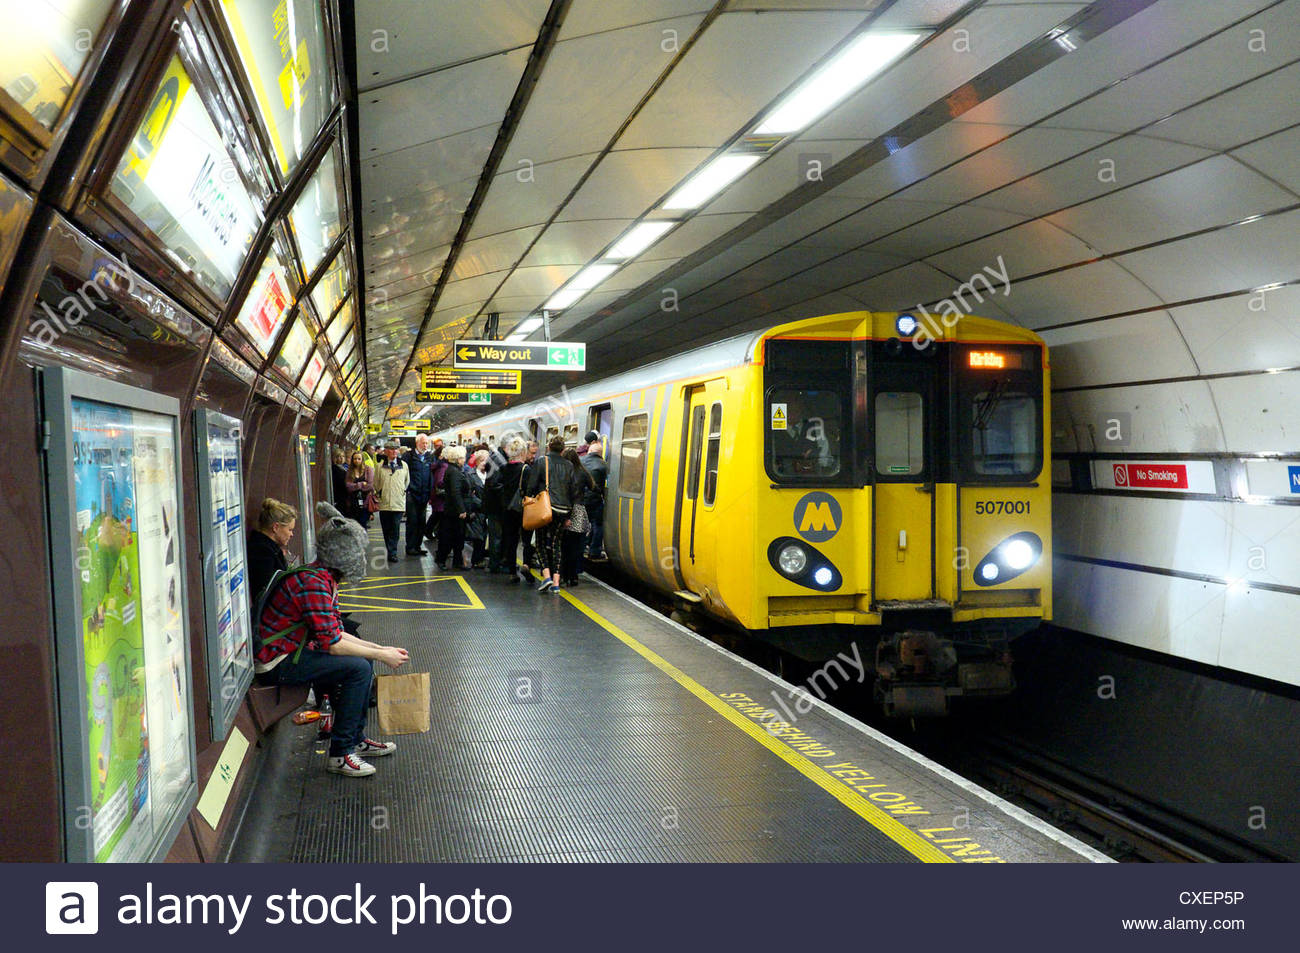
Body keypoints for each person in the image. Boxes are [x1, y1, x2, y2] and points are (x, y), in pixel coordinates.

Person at [255, 501, 410, 777]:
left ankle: (355, 738)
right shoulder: (314, 583)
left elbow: (336, 631)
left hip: (292, 651)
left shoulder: (322, 577)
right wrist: (380, 655)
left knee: (362, 661)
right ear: (344, 554)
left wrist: (379, 648)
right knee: (358, 668)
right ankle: (341, 753)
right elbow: (333, 643)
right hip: (276, 662)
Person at [524, 436, 576, 593]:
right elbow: (573, 491)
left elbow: (531, 486)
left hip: (546, 508)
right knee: (556, 544)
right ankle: (556, 583)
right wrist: (569, 515)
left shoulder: (542, 461)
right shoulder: (569, 465)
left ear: (549, 447)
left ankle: (546, 576)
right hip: (564, 509)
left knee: (540, 542)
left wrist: (528, 500)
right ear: (563, 449)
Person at [490, 437, 528, 580]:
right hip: (522, 510)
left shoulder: (504, 468)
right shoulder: (525, 469)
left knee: (510, 540)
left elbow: (498, 486)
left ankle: (512, 571)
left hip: (507, 509)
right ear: (522, 452)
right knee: (526, 540)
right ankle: (526, 565)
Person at [247, 498, 297, 602]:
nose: (291, 534)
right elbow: (265, 592)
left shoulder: (269, 548)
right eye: (290, 529)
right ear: (275, 527)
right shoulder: (262, 552)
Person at [561, 447, 595, 586]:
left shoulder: (563, 472)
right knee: (576, 546)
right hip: (579, 511)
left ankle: (563, 574)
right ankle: (573, 576)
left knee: (564, 545)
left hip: (564, 510)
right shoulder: (583, 471)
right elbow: (594, 487)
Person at [434, 445, 470, 571]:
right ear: (458, 458)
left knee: (455, 537)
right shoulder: (455, 472)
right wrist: (461, 510)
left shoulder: (452, 469)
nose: (464, 460)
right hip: (454, 511)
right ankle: (443, 560)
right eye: (463, 457)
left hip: (451, 509)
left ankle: (456, 561)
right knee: (452, 537)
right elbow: (455, 492)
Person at [373, 440, 409, 563]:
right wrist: (381, 492)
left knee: (395, 527)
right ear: (386, 451)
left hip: (398, 503)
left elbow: (406, 481)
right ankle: (390, 549)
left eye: (395, 449)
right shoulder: (380, 466)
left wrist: (401, 491)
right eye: (391, 449)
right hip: (384, 503)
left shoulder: (404, 465)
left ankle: (392, 552)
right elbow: (376, 483)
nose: (394, 451)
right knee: (386, 528)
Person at [402, 434, 436, 557]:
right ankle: (410, 547)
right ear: (417, 443)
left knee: (421, 522)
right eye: (423, 443)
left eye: (427, 443)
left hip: (425, 494)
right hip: (412, 493)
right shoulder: (408, 456)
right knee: (412, 521)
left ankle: (417, 545)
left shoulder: (430, 457)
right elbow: (403, 474)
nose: (425, 445)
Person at [581, 433, 608, 561]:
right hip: (596, 500)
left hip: (581, 499)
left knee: (580, 525)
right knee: (598, 525)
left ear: (589, 450)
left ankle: (580, 549)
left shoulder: (581, 461)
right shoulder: (604, 465)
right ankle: (595, 551)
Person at [344, 450, 374, 527]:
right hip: (353, 503)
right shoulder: (350, 471)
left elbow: (370, 485)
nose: (356, 461)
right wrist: (361, 484)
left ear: (362, 460)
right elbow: (348, 486)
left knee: (363, 524)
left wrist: (355, 486)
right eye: (355, 459)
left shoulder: (368, 470)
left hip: (365, 502)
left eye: (359, 459)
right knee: (354, 525)